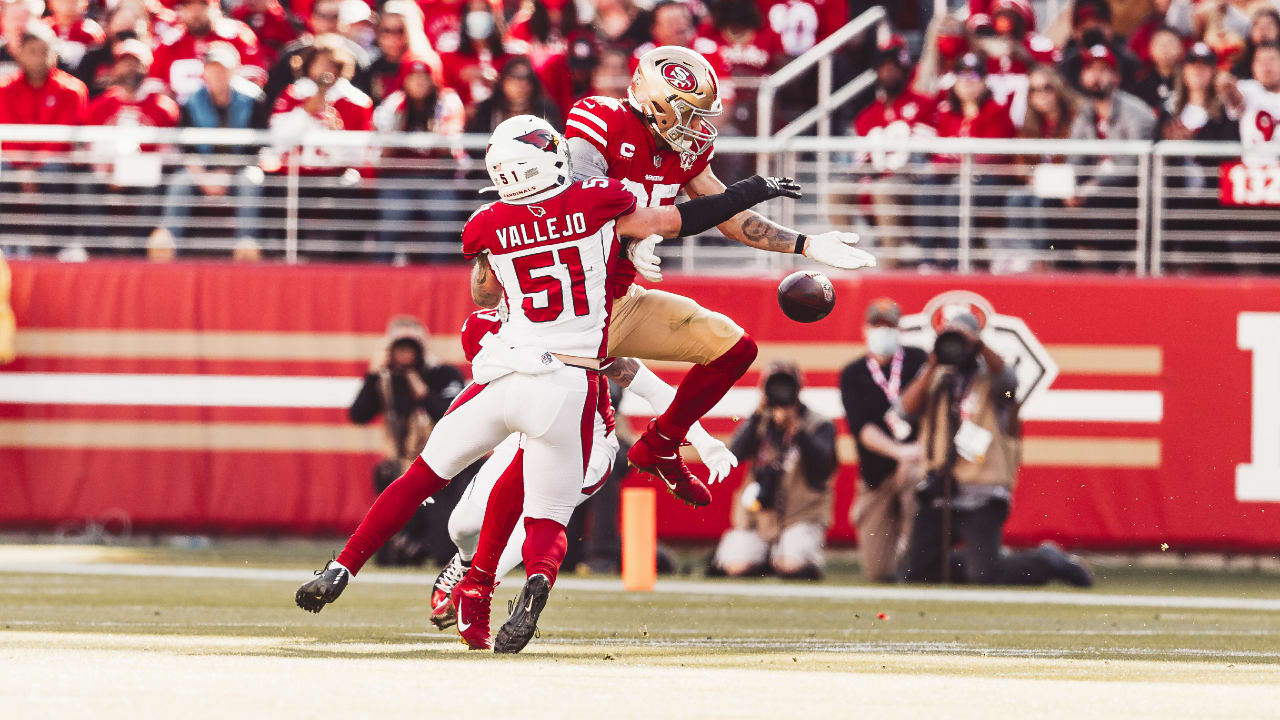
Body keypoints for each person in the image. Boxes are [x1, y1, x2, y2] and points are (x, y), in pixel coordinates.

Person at [293, 114, 806, 654]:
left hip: (504, 377)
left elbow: (486, 292)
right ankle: (536, 582)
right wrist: (752, 189)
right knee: (547, 519)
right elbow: (683, 218)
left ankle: (343, 566)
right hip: (566, 380)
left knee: (419, 478)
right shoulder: (599, 200)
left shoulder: (486, 223)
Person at [563, 45, 874, 504]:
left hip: (617, 302)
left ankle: (661, 444)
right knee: (562, 463)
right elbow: (577, 202)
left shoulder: (683, 151)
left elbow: (727, 215)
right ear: (658, 105)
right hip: (565, 305)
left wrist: (805, 244)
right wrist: (629, 236)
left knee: (735, 348)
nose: (699, 127)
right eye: (690, 114)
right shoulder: (601, 119)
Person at [426, 309, 735, 630]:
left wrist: (704, 441)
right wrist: (429, 471)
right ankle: (465, 564)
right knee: (463, 524)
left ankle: (477, 588)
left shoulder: (581, 340)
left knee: (532, 519)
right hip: (525, 436)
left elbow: (656, 391)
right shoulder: (502, 331)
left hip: (587, 446)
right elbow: (468, 406)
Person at [898, 309, 1093, 587]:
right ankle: (984, 560)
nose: (956, 346)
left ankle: (1047, 561)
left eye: (962, 339)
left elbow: (1010, 385)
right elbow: (905, 410)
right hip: (940, 490)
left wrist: (979, 346)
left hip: (983, 493)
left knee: (984, 576)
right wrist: (932, 365)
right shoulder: (936, 377)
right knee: (918, 573)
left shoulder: (992, 377)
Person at [349, 315, 466, 566]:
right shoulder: (385, 381)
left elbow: (452, 416)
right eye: (399, 347)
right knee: (391, 559)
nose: (405, 354)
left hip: (446, 469)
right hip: (405, 468)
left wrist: (422, 391)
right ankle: (408, 541)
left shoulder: (443, 374)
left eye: (410, 346)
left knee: (445, 553)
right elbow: (358, 415)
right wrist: (373, 375)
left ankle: (429, 539)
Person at [712, 362, 837, 579]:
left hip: (800, 515)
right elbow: (734, 455)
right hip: (757, 517)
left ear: (798, 388)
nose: (780, 390)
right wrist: (756, 416)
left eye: (786, 384)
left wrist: (797, 430)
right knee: (736, 566)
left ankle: (780, 559)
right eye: (773, 384)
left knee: (792, 566)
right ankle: (764, 559)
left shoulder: (819, 424)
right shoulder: (760, 421)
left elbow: (823, 466)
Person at [840, 298, 928, 582]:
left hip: (916, 463)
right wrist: (900, 452)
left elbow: (933, 414)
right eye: (877, 326)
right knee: (877, 571)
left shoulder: (919, 361)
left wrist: (916, 454)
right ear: (865, 330)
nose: (883, 331)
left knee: (917, 478)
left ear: (899, 329)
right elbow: (862, 429)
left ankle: (916, 553)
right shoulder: (853, 373)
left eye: (888, 326)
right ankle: (900, 557)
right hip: (876, 475)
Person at [154, 42, 265, 250]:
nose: (218, 74)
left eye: (223, 69)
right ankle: (167, 242)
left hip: (240, 169)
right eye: (213, 69)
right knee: (180, 182)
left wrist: (228, 172)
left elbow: (257, 148)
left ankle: (248, 245)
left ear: (235, 70)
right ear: (205, 72)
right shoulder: (191, 101)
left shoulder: (254, 100)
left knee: (251, 180)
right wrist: (203, 176)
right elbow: (187, 148)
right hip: (202, 170)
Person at [848, 39, 937, 268]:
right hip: (877, 177)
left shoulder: (924, 104)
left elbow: (924, 153)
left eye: (894, 67)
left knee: (884, 188)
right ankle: (844, 257)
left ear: (904, 70)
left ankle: (890, 262)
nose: (889, 72)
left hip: (911, 179)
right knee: (837, 190)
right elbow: (861, 162)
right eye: (884, 67)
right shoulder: (867, 115)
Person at [372, 53, 465, 257]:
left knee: (445, 213)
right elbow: (383, 153)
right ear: (405, 80)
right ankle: (382, 267)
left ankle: (440, 269)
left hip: (437, 176)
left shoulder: (447, 101)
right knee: (394, 215)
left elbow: (448, 146)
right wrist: (399, 127)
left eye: (425, 76)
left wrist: (435, 133)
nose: (420, 81)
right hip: (399, 176)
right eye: (414, 76)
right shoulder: (394, 103)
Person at [1003, 64, 1080, 272]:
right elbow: (1020, 161)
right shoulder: (1030, 124)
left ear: (1058, 89)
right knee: (1015, 198)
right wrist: (1030, 176)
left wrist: (1047, 178)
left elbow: (1076, 159)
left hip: (1066, 187)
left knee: (1039, 201)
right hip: (1037, 185)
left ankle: (1043, 260)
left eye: (1047, 88)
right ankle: (1024, 257)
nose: (1041, 95)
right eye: (1034, 90)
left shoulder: (1075, 118)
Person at [1065, 45, 1156, 209]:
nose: (1096, 76)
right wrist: (1070, 187)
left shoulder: (1136, 111)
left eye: (1102, 70)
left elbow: (1137, 161)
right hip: (1091, 187)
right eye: (1090, 69)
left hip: (1128, 191)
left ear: (1116, 77)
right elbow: (1075, 157)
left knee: (1096, 202)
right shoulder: (1084, 112)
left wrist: (1097, 183)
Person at [150, 0, 266, 103]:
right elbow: (156, 92)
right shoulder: (169, 43)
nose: (195, 12)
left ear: (216, 7)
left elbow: (253, 84)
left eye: (203, 5)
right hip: (183, 115)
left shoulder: (236, 35)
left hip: (231, 113)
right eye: (188, 5)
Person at [464, 55, 561, 133]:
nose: (521, 84)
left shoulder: (545, 110)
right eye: (514, 77)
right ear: (502, 82)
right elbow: (474, 145)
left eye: (527, 78)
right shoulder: (487, 110)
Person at [1133, 24, 1185, 111]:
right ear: (1150, 49)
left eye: (1170, 44)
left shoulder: (1187, 81)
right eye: (1160, 44)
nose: (1165, 49)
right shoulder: (1142, 84)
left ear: (1181, 49)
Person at [43, 0, 102, 75]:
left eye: (74, 1)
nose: (69, 5)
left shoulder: (92, 32)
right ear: (51, 3)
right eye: (63, 1)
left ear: (85, 3)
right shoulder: (44, 28)